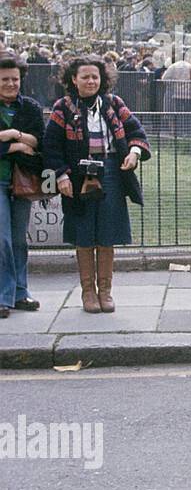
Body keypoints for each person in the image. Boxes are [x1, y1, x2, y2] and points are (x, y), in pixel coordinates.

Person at [43, 55, 151, 313]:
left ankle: (105, 291)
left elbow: (137, 133)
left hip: (112, 172)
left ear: (102, 79)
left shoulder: (114, 104)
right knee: (83, 234)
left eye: (95, 76)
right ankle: (88, 293)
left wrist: (134, 153)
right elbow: (51, 147)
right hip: (77, 176)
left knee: (107, 233)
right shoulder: (63, 107)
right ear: (73, 79)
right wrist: (61, 175)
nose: (91, 81)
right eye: (85, 76)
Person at [0, 51, 43, 318]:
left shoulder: (30, 107)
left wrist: (11, 136)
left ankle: (20, 291)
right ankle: (3, 295)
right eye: (5, 79)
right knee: (1, 239)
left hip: (23, 181)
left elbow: (39, 141)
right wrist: (17, 144)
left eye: (15, 79)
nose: (11, 84)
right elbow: (26, 144)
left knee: (18, 240)